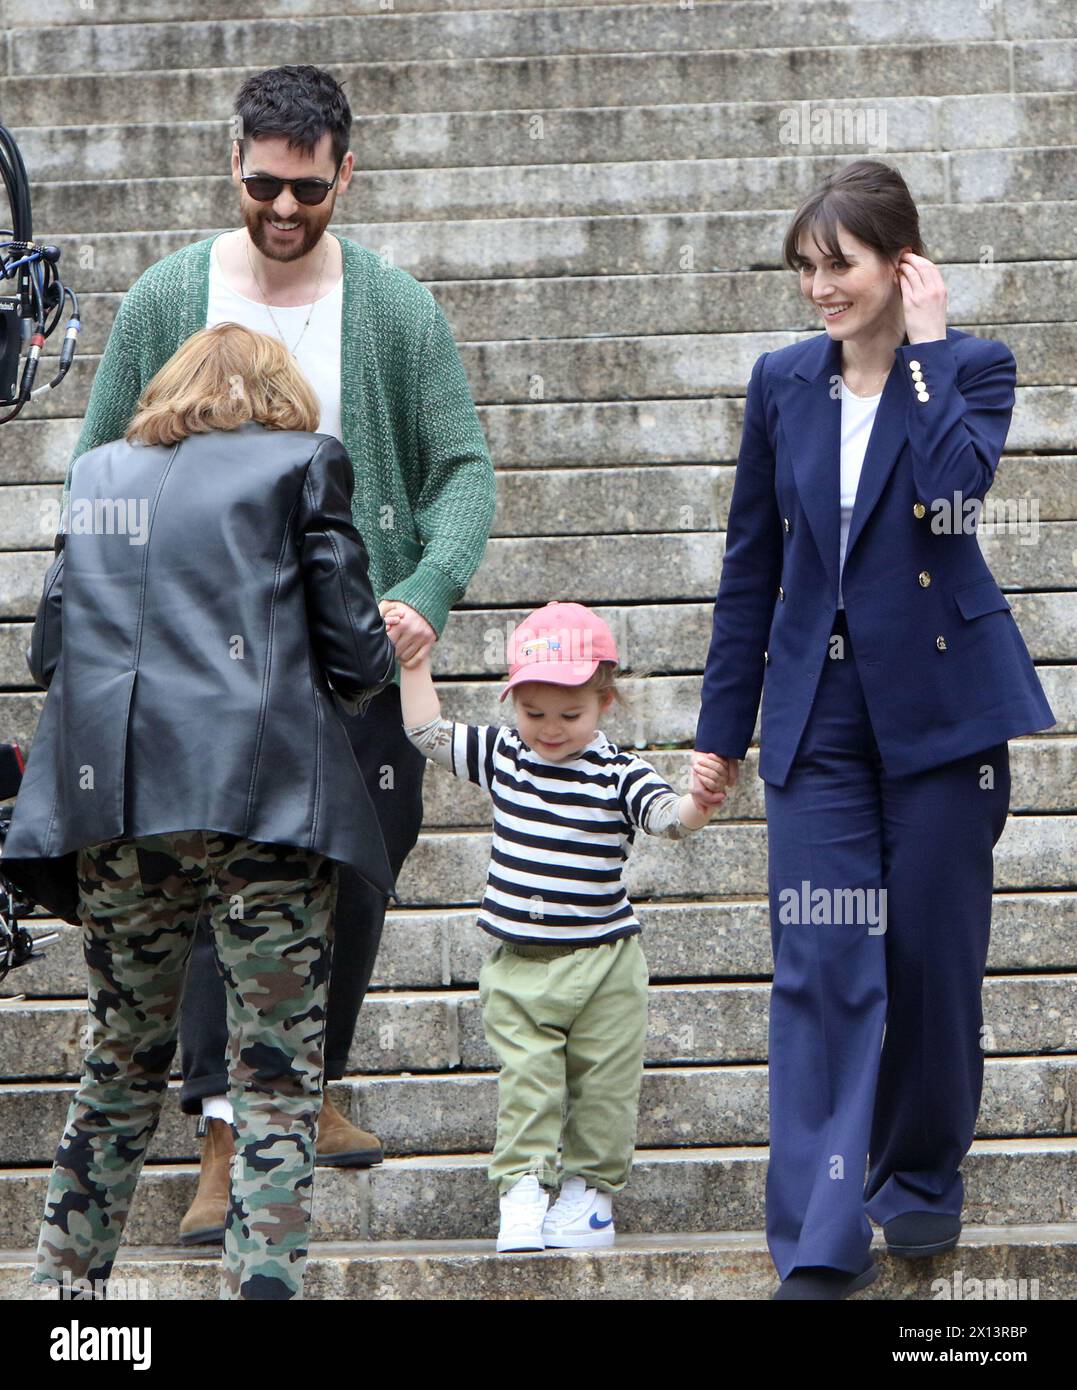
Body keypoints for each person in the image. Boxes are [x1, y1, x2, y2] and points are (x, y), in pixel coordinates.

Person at [56, 63, 496, 1243]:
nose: (285, 207)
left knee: (366, 851)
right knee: (213, 889)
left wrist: (425, 590)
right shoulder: (170, 295)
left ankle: (311, 1078)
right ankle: (217, 1135)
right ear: (234, 165)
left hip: (348, 649)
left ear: (345, 172)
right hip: (197, 668)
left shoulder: (395, 308)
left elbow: (463, 466)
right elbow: (98, 462)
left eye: (308, 186)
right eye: (264, 183)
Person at [688, 160, 1057, 1300]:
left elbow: (955, 490)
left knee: (927, 961)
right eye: (805, 269)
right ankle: (817, 1234)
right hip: (818, 721)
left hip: (944, 719)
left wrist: (931, 351)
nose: (818, 289)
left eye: (838, 265)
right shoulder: (782, 383)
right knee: (820, 964)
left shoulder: (972, 371)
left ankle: (921, 1172)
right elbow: (752, 564)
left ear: (900, 264)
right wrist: (722, 729)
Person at [3, 322, 400, 1299]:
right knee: (274, 1074)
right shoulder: (305, 462)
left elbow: (48, 651)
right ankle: (259, 1285)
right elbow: (356, 653)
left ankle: (67, 1303)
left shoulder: (98, 476)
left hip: (120, 805)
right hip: (261, 801)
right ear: (275, 396)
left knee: (120, 1062)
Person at [388, 599, 728, 1251]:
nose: (548, 729)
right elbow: (428, 734)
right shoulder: (503, 754)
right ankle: (521, 1189)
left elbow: (667, 820)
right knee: (527, 1081)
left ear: (606, 702)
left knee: (604, 1084)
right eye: (532, 712)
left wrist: (700, 800)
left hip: (605, 961)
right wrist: (416, 664)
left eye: (569, 714)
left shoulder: (616, 771)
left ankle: (587, 1199)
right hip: (519, 961)